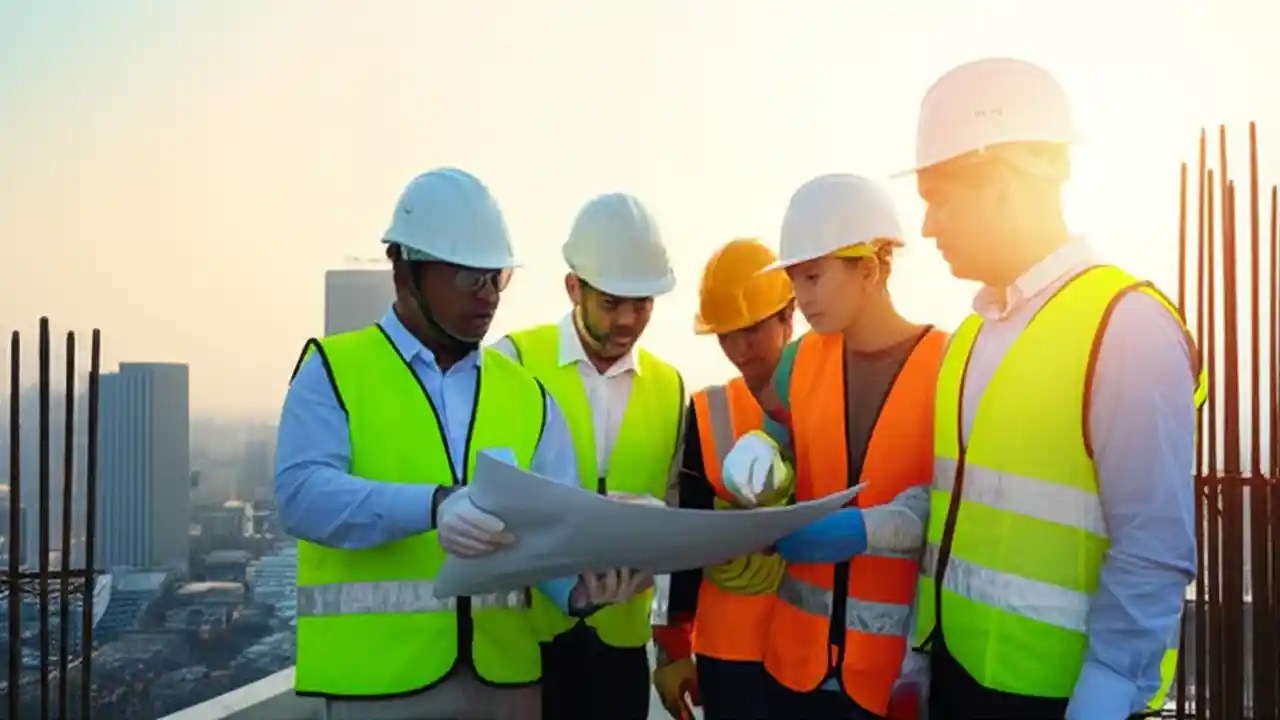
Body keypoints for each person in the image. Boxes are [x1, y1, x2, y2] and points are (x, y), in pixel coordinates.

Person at [900, 58, 1208, 720]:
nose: (927, 227)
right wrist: (922, 660)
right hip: (963, 681)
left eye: (938, 198)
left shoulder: (1126, 328)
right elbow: (960, 519)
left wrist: (1107, 687)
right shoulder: (971, 339)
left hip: (1064, 698)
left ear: (1003, 181)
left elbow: (1154, 545)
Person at [274, 168, 641, 720]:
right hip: (378, 688)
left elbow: (550, 532)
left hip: (507, 683)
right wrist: (434, 505)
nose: (489, 296)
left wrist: (581, 590)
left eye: (498, 278)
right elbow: (302, 496)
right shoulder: (333, 370)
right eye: (472, 278)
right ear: (406, 271)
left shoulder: (527, 394)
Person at [721, 174, 946, 720]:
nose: (803, 297)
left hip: (891, 677)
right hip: (792, 669)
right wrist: (761, 466)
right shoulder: (801, 361)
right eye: (796, 280)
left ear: (868, 270)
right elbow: (787, 456)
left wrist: (867, 530)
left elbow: (952, 505)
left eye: (815, 277)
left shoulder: (948, 365)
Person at [491, 191, 688, 720]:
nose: (628, 320)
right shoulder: (512, 363)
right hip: (524, 645)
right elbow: (490, 502)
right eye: (611, 303)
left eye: (642, 304)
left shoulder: (670, 387)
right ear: (573, 287)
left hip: (621, 649)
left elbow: (672, 512)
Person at [651, 238, 798, 720]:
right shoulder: (708, 410)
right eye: (725, 334)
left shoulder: (828, 395)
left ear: (787, 314)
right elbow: (684, 541)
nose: (739, 348)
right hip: (729, 656)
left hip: (811, 649)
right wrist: (673, 648)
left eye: (752, 329)